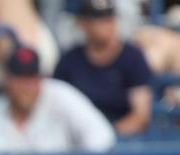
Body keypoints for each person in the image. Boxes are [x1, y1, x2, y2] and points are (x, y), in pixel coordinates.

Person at [0, 43, 115, 152]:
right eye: (19, 78)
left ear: (40, 79)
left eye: (30, 78)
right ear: (7, 80)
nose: (25, 87)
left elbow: (102, 137)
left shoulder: (61, 96)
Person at [52, 0, 152, 134]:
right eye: (96, 20)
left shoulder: (132, 57)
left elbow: (140, 116)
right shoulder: (69, 61)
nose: (103, 25)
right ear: (83, 23)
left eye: (107, 19)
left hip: (122, 140)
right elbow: (57, 110)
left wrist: (105, 136)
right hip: (78, 140)